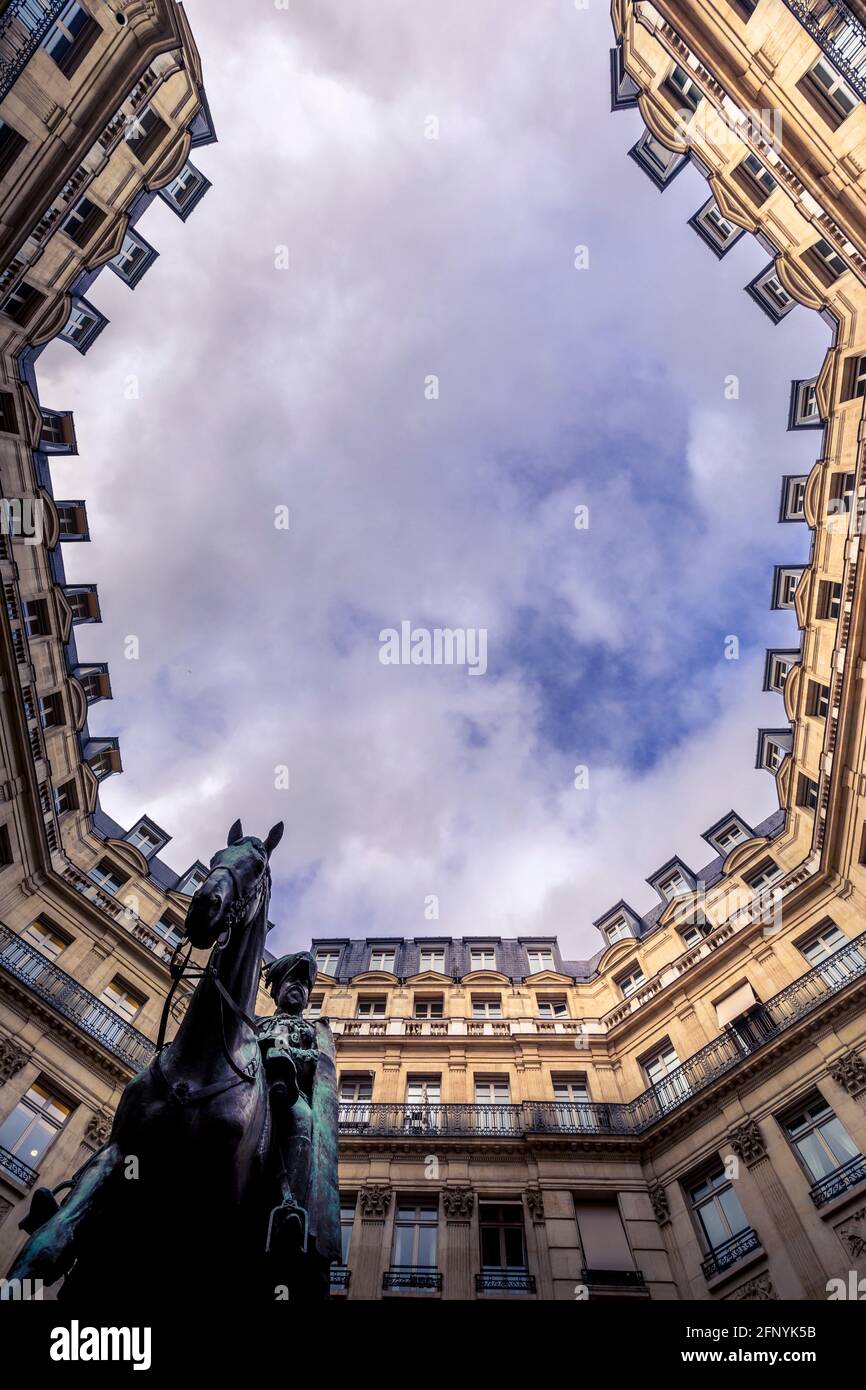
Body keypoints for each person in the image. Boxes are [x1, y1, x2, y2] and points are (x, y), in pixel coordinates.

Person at [256, 950, 341, 1294]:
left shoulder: (312, 1029)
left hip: (288, 1092)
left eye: (304, 986)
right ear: (275, 991)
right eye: (291, 982)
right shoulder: (257, 1023)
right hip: (250, 1087)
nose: (297, 989)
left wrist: (289, 1055)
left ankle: (288, 1203)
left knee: (302, 1120)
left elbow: (319, 1064)